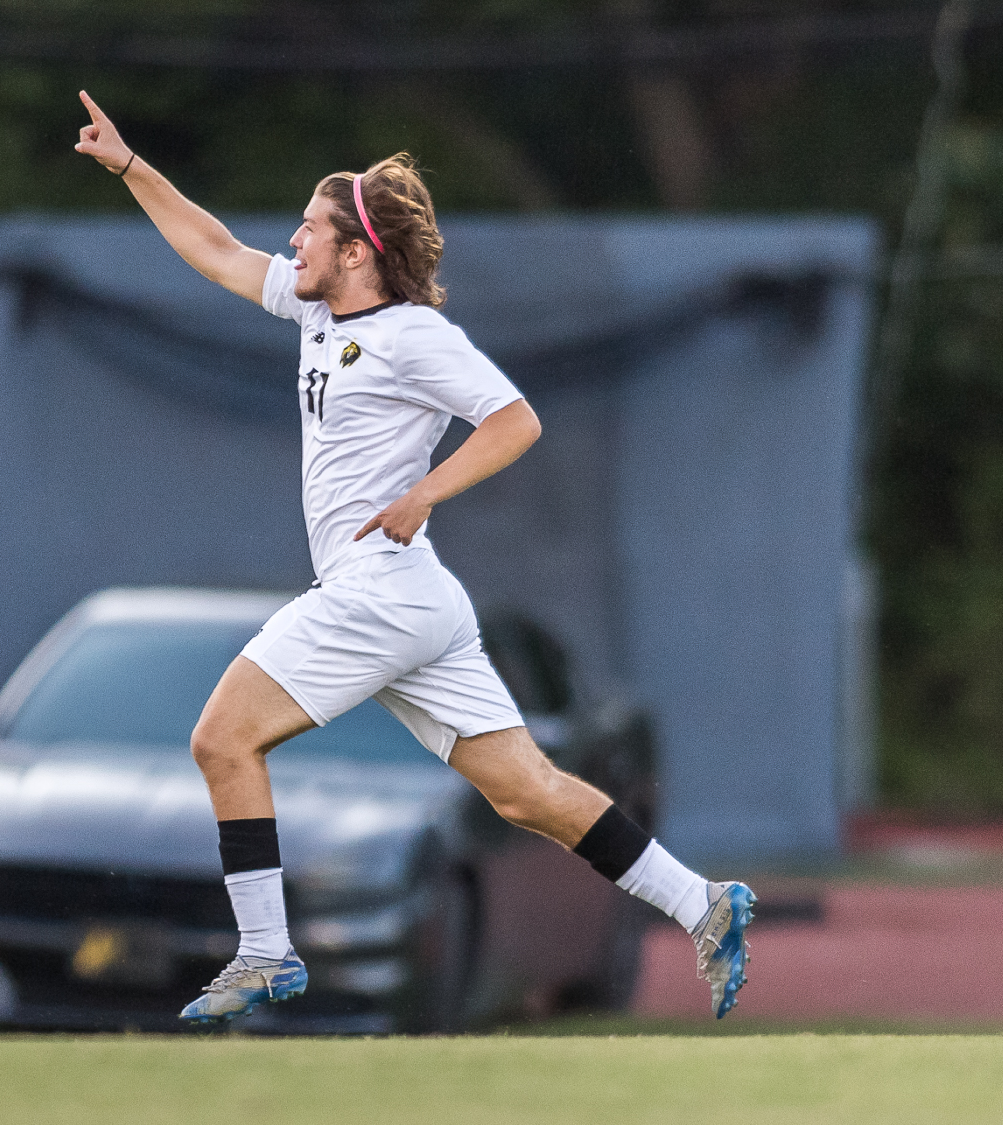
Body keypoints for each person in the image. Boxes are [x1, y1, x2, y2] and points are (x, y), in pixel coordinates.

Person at [72, 91, 756, 1024]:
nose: (295, 244)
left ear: (359, 252)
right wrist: (128, 165)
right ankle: (701, 902)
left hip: (380, 592)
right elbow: (217, 250)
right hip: (416, 601)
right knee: (530, 793)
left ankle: (267, 950)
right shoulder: (317, 315)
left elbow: (516, 420)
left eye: (313, 231)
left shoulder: (414, 336)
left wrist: (423, 492)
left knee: (221, 739)